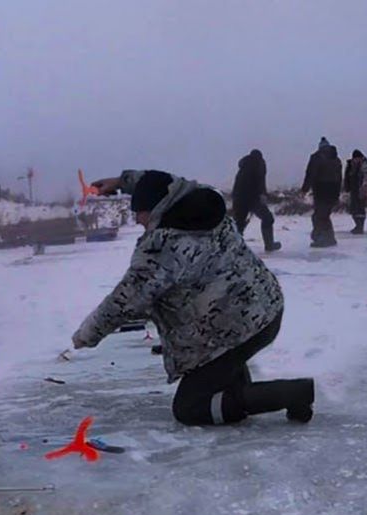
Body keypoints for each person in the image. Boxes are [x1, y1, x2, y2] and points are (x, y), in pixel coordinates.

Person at [72, 170, 314, 427]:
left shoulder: (163, 247)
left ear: (154, 208)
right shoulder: (200, 206)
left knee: (191, 407)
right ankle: (239, 387)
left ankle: (295, 393)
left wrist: (86, 335)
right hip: (263, 307)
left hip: (238, 329)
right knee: (220, 376)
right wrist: (122, 181)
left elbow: (125, 300)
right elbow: (163, 183)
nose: (138, 219)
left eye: (139, 212)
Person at [231, 149, 280, 252]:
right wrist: (262, 194)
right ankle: (269, 245)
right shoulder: (259, 163)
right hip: (253, 198)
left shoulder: (243, 167)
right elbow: (260, 180)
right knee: (268, 218)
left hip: (238, 198)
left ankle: (233, 246)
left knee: (239, 224)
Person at [301, 138, 343, 247]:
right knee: (324, 215)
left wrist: (305, 189)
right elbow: (340, 178)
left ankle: (323, 238)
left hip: (321, 190)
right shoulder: (336, 159)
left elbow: (310, 173)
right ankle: (328, 237)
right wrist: (337, 194)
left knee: (319, 216)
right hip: (333, 191)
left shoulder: (316, 158)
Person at [343, 150, 367, 234]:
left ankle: (360, 226)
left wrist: (365, 188)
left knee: (360, 208)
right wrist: (346, 187)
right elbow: (347, 176)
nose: (356, 160)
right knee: (353, 208)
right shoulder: (350, 165)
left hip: (360, 190)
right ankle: (357, 225)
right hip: (353, 190)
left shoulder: (364, 164)